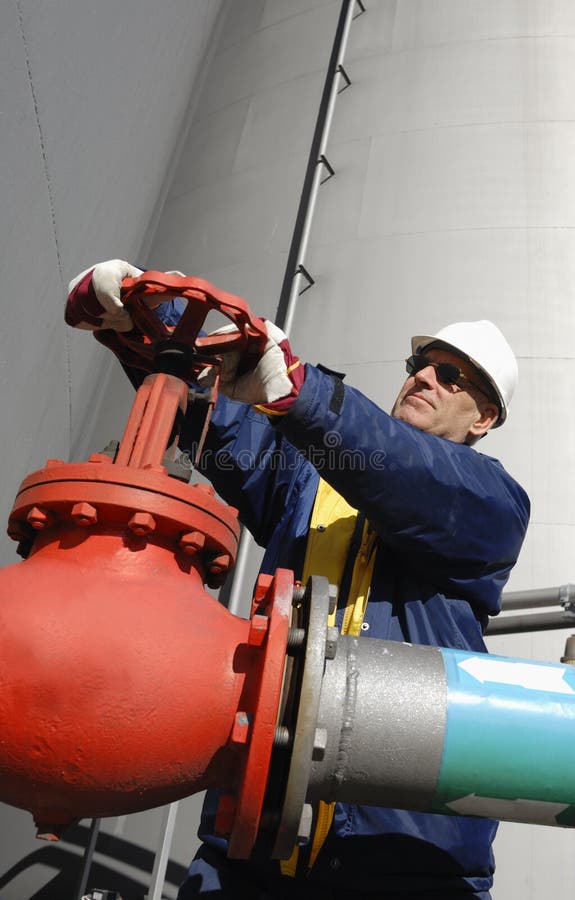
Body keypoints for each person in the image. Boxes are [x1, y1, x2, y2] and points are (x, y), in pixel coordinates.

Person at [66, 261, 530, 900]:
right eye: (420, 364)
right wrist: (146, 328)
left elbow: (406, 474)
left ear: (483, 420)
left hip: (406, 868)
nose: (424, 374)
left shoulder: (489, 504)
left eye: (450, 376)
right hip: (255, 849)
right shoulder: (313, 482)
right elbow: (224, 422)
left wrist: (299, 393)